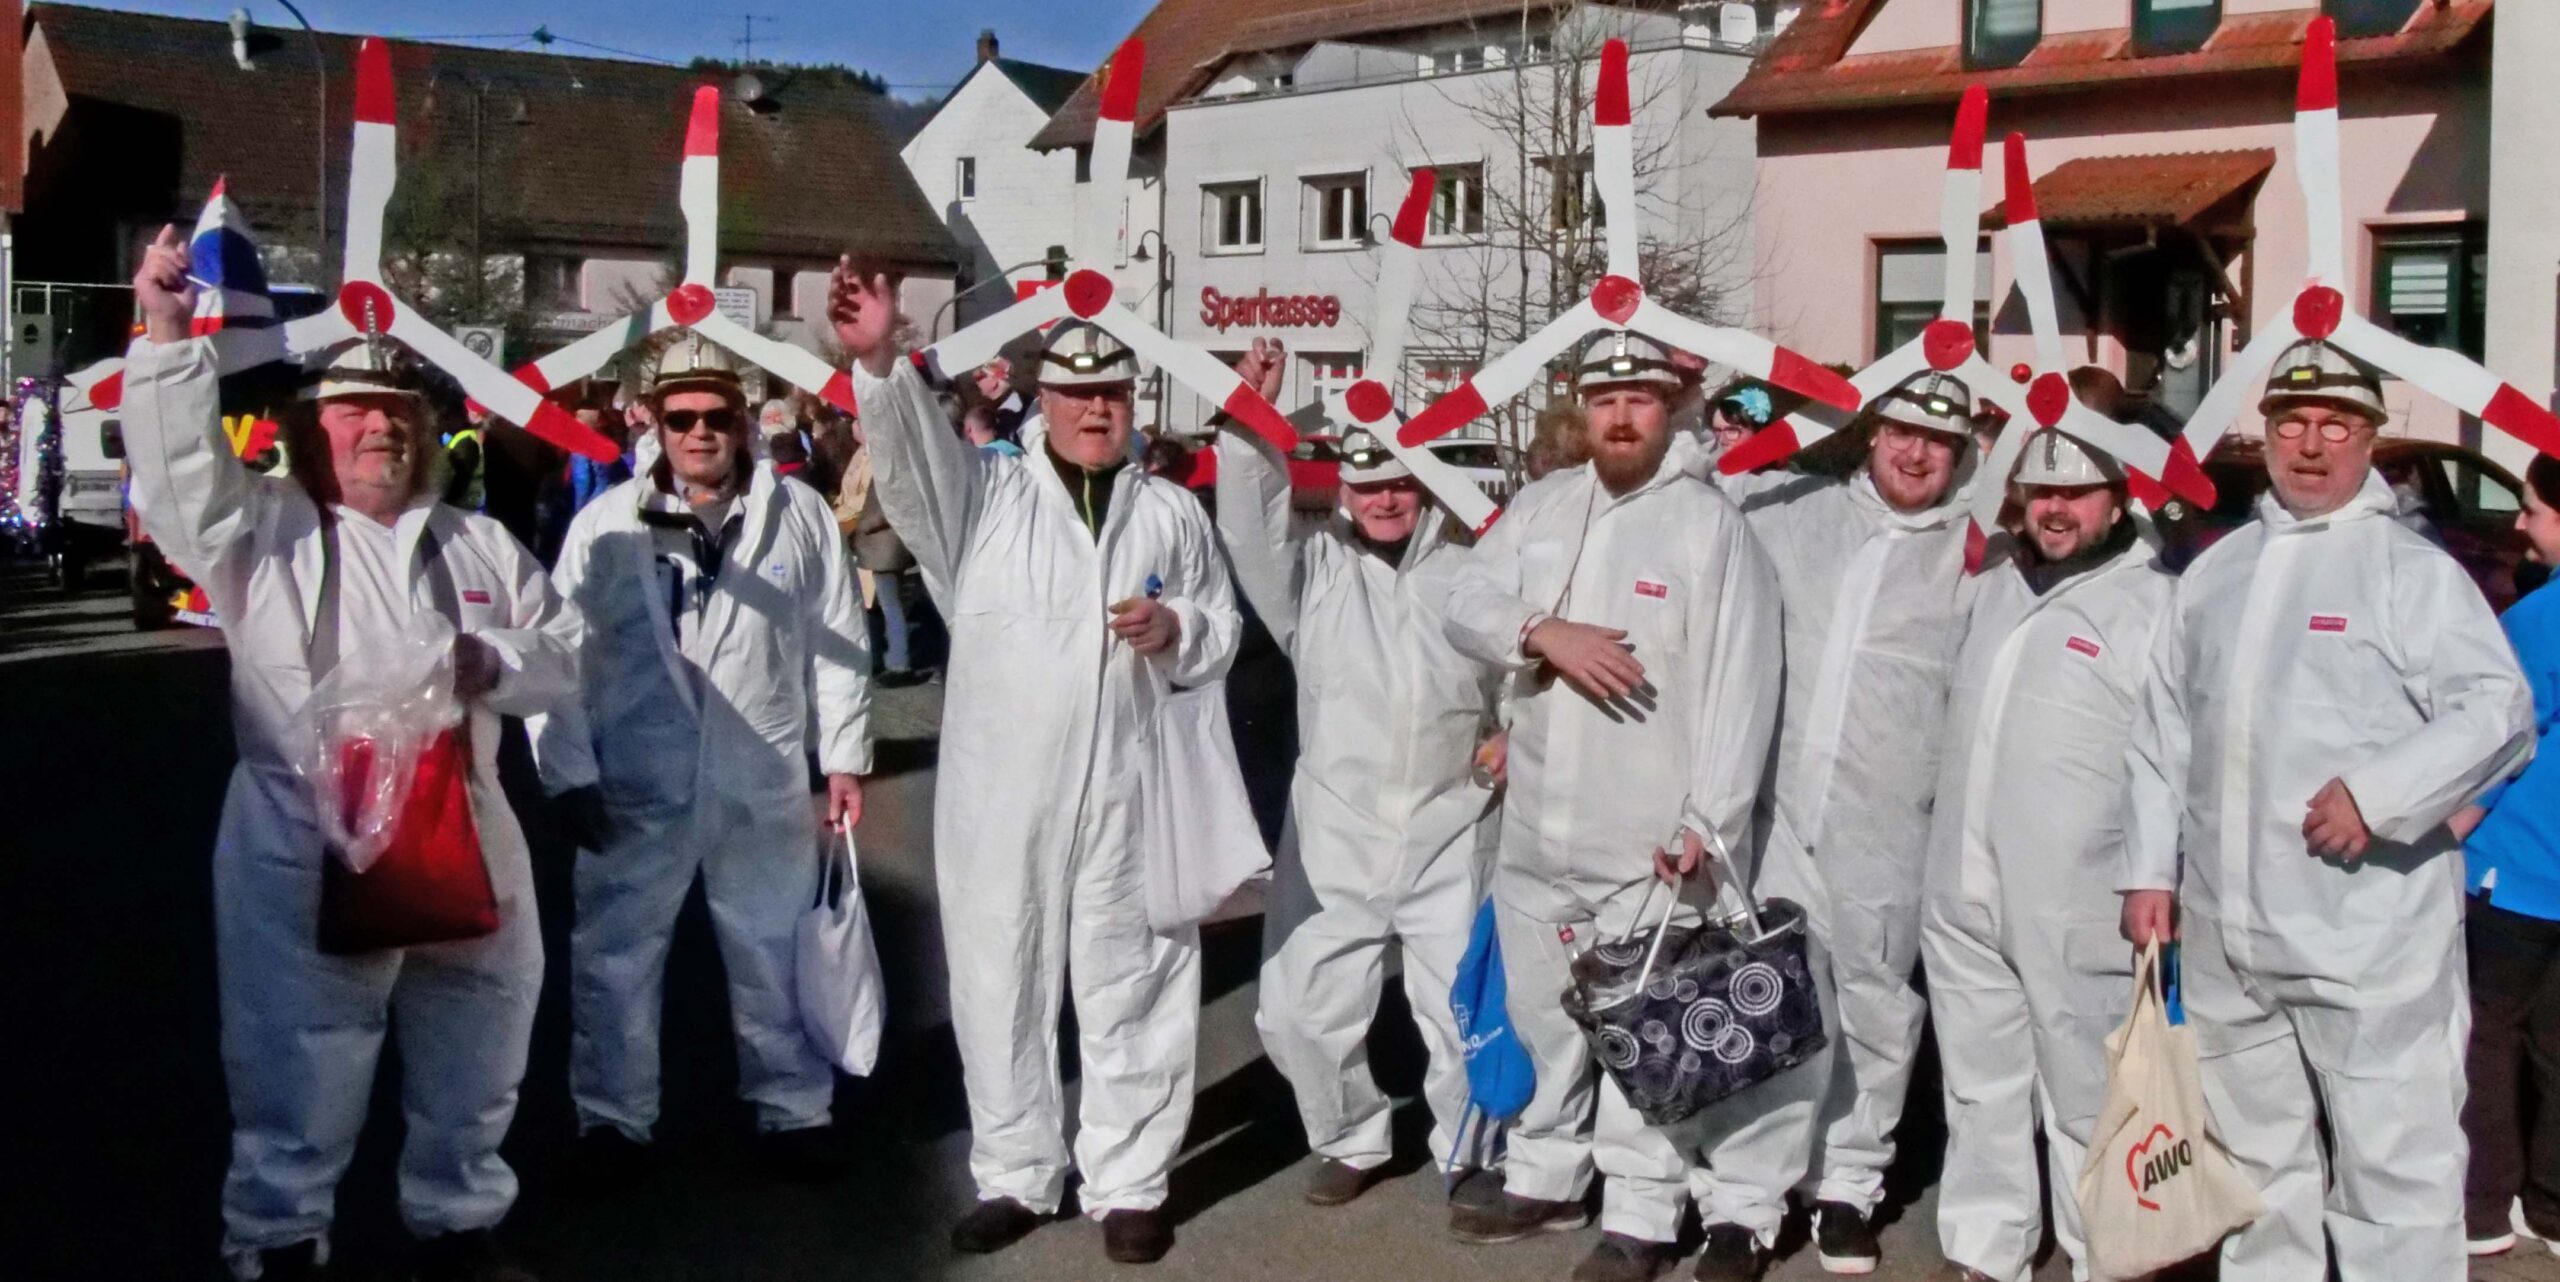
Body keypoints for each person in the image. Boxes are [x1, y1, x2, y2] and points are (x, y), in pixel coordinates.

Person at [122, 226, 574, 1282]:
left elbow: (565, 655)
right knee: (299, 1051)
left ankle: (459, 1220)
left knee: (482, 1029)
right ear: (306, 429)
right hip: (302, 836)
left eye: (400, 412)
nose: (381, 427)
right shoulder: (257, 532)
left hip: (466, 821)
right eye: (356, 410)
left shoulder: (479, 545)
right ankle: (279, 1237)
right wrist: (163, 330)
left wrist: (489, 659)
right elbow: (180, 468)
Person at [833, 261, 1242, 1266]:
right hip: (1001, 792)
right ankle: (1017, 1169)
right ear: (1042, 399)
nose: (1095, 409)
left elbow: (1224, 626)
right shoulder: (987, 498)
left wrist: (1178, 624)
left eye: (1111, 393)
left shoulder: (1170, 513)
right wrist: (882, 363)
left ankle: (1130, 1180)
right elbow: (913, 460)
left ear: (1130, 401)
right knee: (996, 974)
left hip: (1129, 788)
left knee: (1135, 977)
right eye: (1077, 393)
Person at [2120, 339, 2533, 1281]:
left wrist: (2380, 796)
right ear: (2265, 435)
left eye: (2336, 425)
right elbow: (2163, 731)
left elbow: (2496, 711)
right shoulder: (2217, 575)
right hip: (2234, 935)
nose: (2311, 445)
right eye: (2292, 423)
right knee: (2258, 1164)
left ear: (2370, 441)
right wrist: (2149, 871)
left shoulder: (2408, 570)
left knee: (2396, 1167)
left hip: (2366, 938)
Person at [1441, 331, 1786, 1282]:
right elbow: (1463, 597)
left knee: (1644, 1022)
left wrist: (1708, 821)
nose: (1622, 416)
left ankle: (1640, 1210)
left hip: (1648, 839)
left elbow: (1742, 686)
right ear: (1581, 409)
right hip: (1538, 825)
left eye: (1639, 398)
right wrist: (1538, 631)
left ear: (1669, 406)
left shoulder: (1707, 526)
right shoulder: (1543, 508)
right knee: (1542, 1009)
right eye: (1605, 400)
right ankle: (1547, 1172)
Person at [530, 333, 873, 1187]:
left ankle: (793, 1109)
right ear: (655, 423)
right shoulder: (603, 528)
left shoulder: (799, 520)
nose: (700, 434)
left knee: (771, 946)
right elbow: (555, 659)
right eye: (682, 418)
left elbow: (838, 643)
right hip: (636, 778)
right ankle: (612, 1120)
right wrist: (566, 771)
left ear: (746, 422)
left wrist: (844, 756)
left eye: (718, 417)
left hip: (759, 775)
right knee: (615, 955)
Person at [1209, 347, 1500, 1209]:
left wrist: (1514, 736)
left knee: (1461, 1009)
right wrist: (1250, 424)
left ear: (1424, 484)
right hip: (1337, 829)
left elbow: (1521, 667)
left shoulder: (1468, 572)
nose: (1383, 498)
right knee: (1299, 1010)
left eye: (1400, 482)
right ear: (1341, 489)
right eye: (1367, 483)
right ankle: (1352, 1136)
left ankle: (1472, 1152)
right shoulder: (1311, 576)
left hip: (1452, 823)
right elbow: (1249, 521)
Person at [1736, 369, 1980, 1275]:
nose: (1916, 453)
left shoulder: (1971, 552)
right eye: (1901, 431)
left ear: (1961, 456)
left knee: (1876, 1005)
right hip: (1780, 811)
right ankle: (1746, 1201)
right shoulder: (1795, 511)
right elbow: (1709, 486)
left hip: (1889, 820)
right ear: (1871, 434)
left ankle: (1847, 1185)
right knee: (1769, 1003)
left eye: (1939, 441)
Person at [1921, 424, 2169, 1282]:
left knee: (2086, 1089)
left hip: (2078, 893)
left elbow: (2173, 762)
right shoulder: (1996, 588)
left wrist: (2157, 873)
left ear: (2119, 500)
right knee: (1980, 1083)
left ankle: (2107, 1256)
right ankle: (1988, 1247)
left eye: (2078, 494)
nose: (2056, 510)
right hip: (1963, 885)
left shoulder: (2152, 607)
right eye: (2042, 492)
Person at [2458, 453, 2560, 1256]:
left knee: (2486, 1036)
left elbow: (2495, 737)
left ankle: (2485, 1205)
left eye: (2531, 509)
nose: (2520, 525)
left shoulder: (2538, 619)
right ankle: (2554, 1203)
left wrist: (2450, 822)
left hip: (2517, 867)